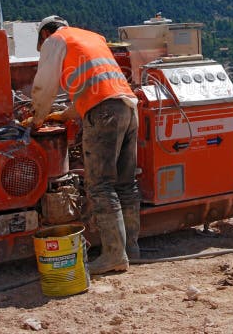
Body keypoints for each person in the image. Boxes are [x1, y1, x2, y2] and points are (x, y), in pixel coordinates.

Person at [30, 15, 140, 275]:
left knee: (100, 185)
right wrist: (65, 115)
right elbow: (94, 85)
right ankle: (131, 250)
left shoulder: (55, 41)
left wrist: (37, 118)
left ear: (45, 33)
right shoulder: (92, 37)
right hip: (127, 107)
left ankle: (114, 255)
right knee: (126, 183)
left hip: (104, 112)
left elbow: (44, 87)